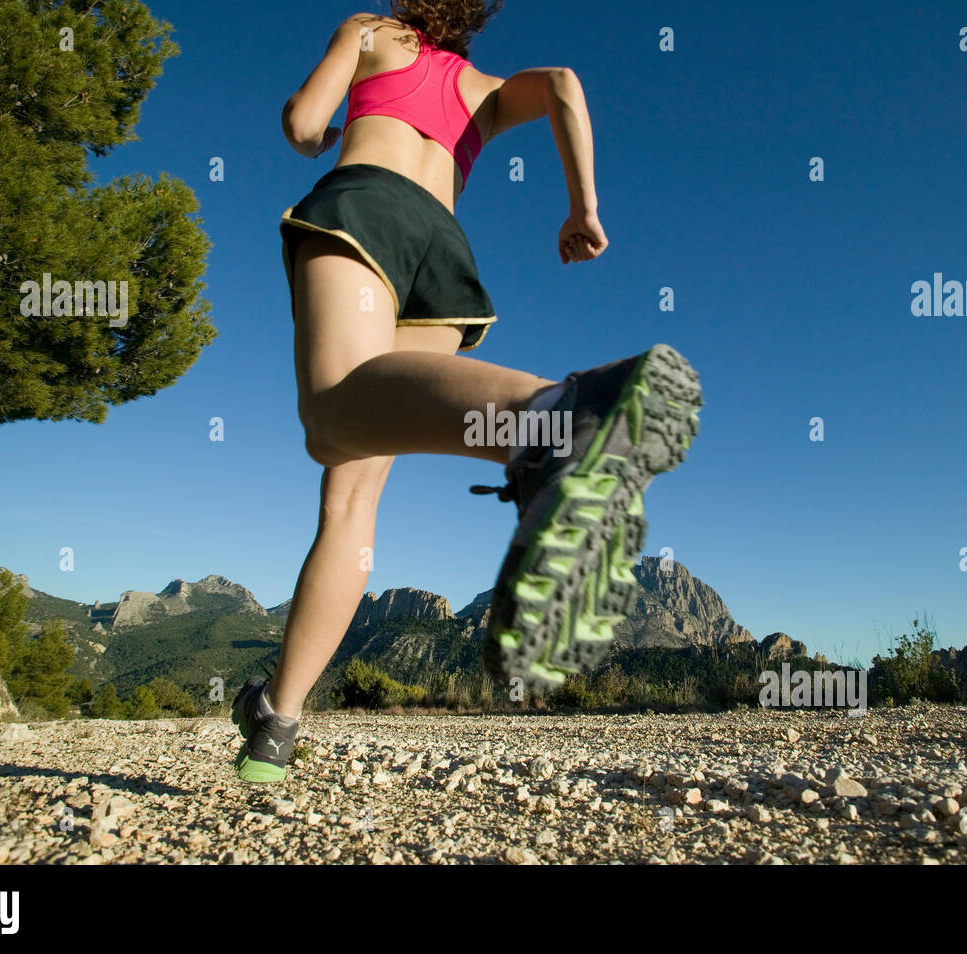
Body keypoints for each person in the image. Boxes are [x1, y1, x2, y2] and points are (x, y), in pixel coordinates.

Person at [232, 2, 702, 783]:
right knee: (350, 489)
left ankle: (556, 417)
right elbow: (562, 83)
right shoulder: (483, 87)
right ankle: (276, 723)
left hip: (364, 209)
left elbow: (305, 127)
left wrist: (311, 114)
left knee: (328, 418)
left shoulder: (371, 31)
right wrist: (582, 207)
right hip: (442, 255)